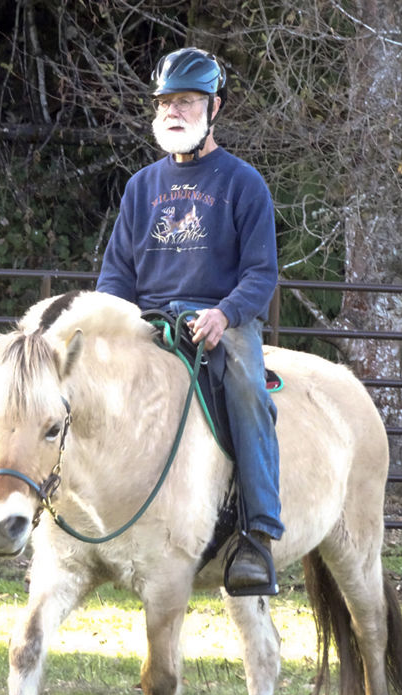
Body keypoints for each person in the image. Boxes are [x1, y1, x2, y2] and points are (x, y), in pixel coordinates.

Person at [96, 47, 284, 594]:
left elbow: (261, 272)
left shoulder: (243, 183)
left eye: (187, 101)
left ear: (214, 108)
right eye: (165, 102)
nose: (174, 111)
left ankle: (258, 535)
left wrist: (224, 314)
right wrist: (118, 326)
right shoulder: (141, 188)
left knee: (248, 390)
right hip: (150, 323)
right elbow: (115, 277)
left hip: (222, 321)